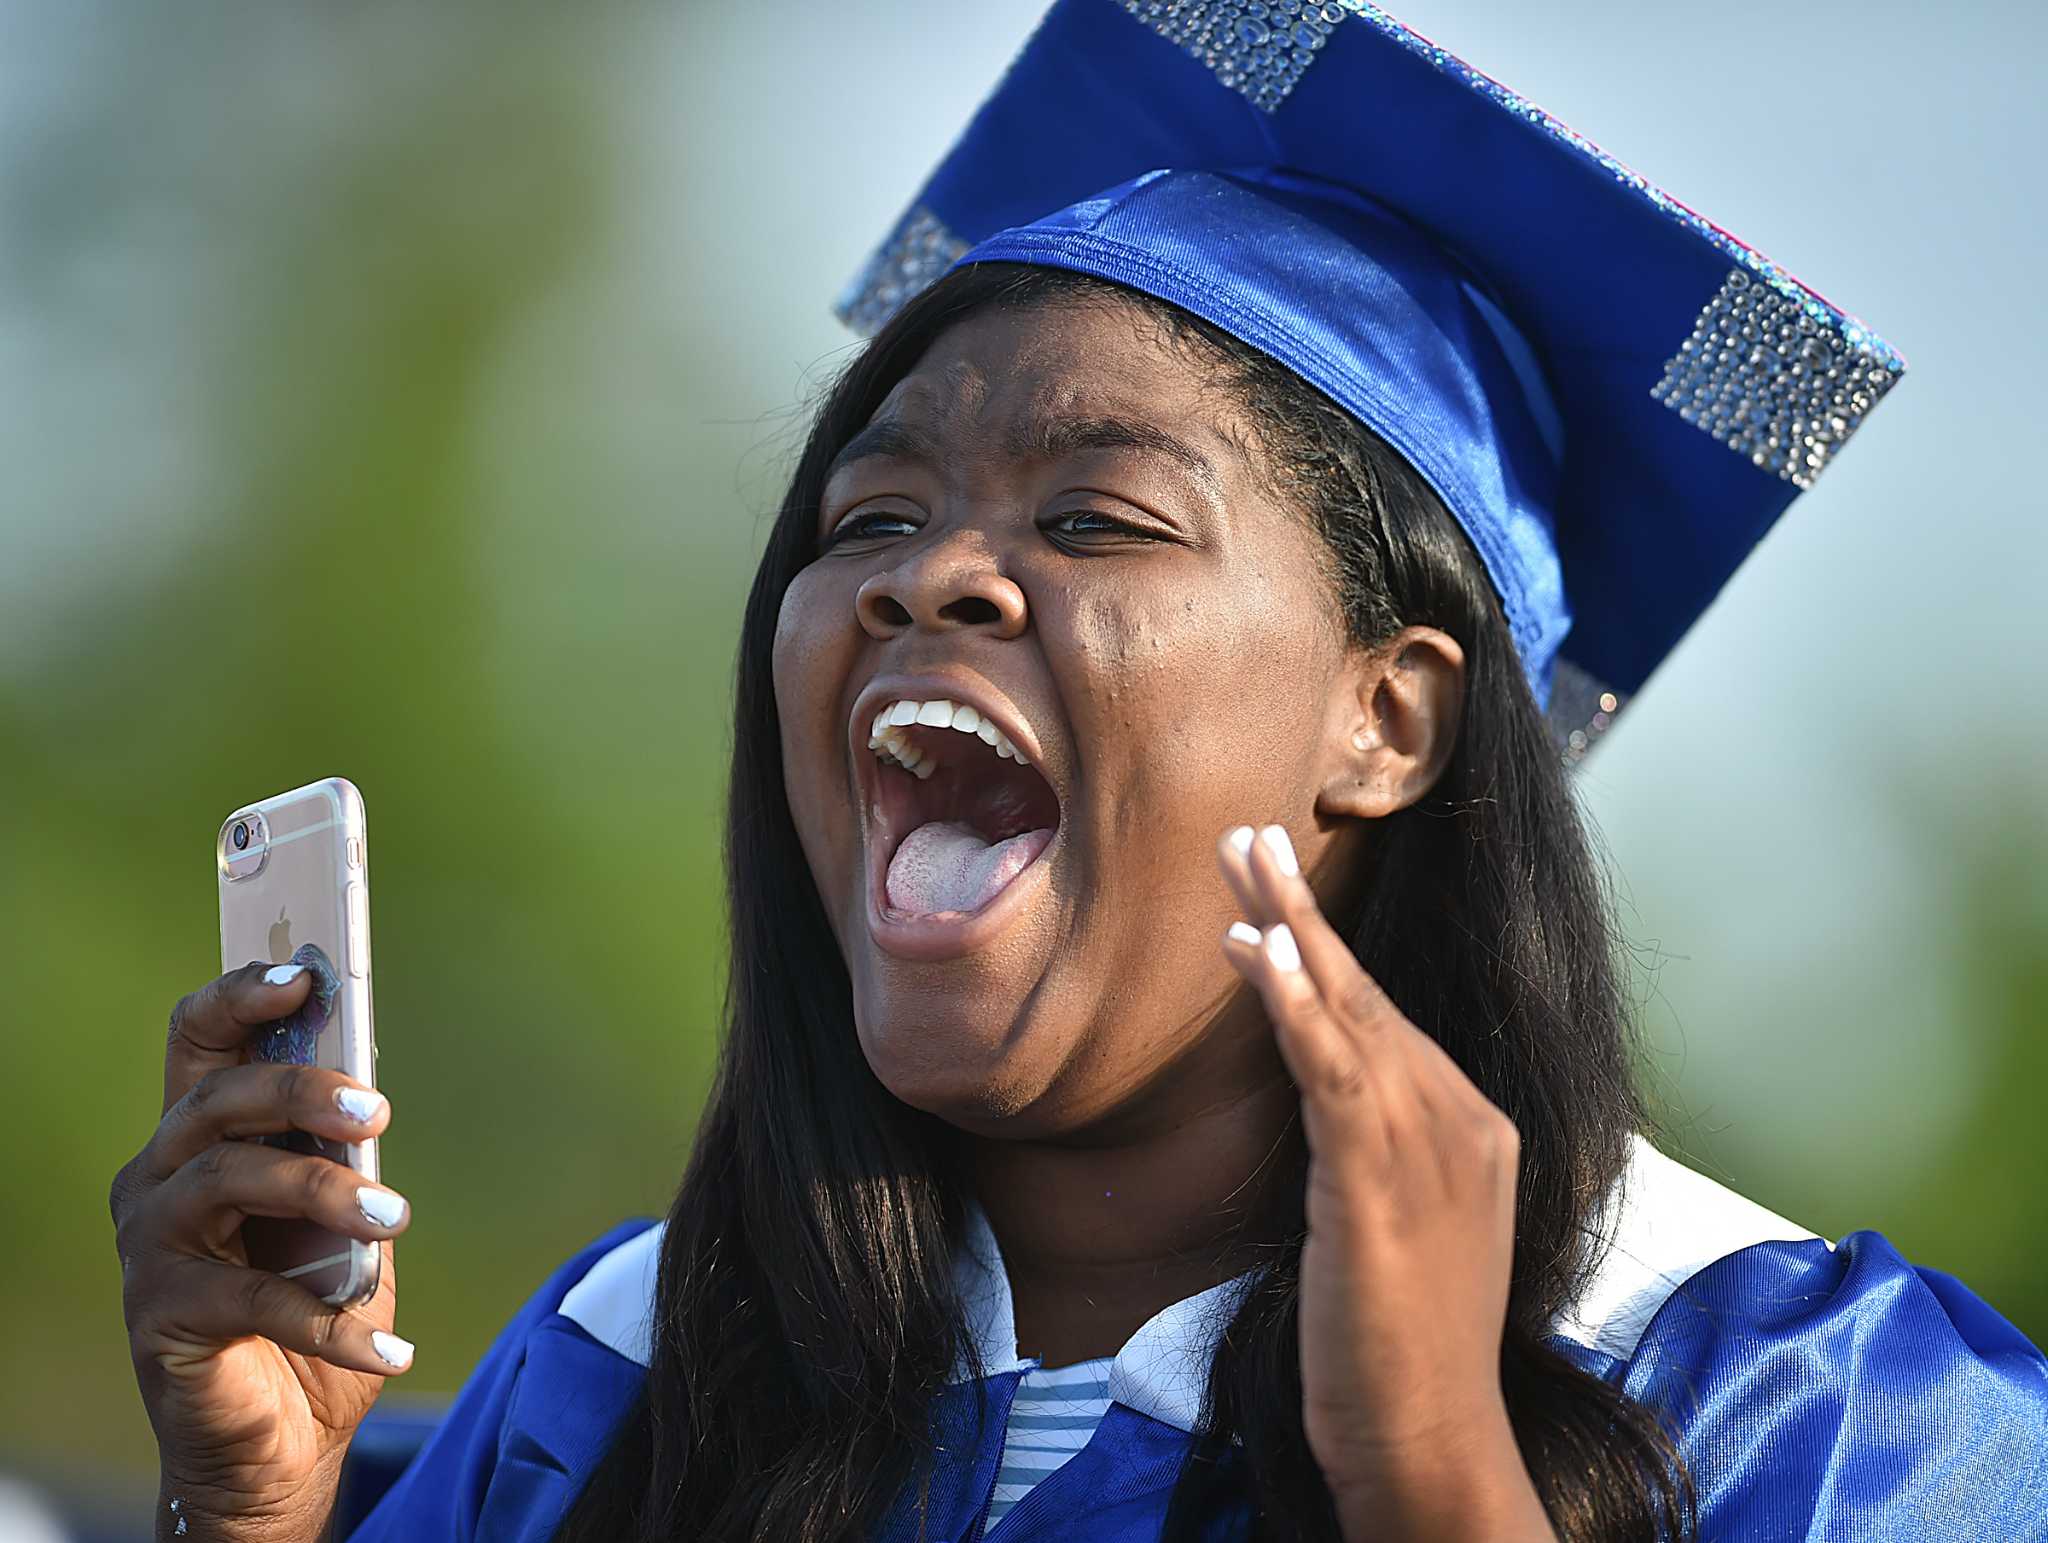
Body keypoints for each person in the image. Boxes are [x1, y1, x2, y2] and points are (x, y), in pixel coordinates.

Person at [111, 4, 2048, 1541]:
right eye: (866, 513)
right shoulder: (622, 1375)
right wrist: (255, 1515)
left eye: (1098, 517)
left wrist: (1441, 1479)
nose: (924, 574)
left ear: (1389, 720)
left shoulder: (1794, 1402)